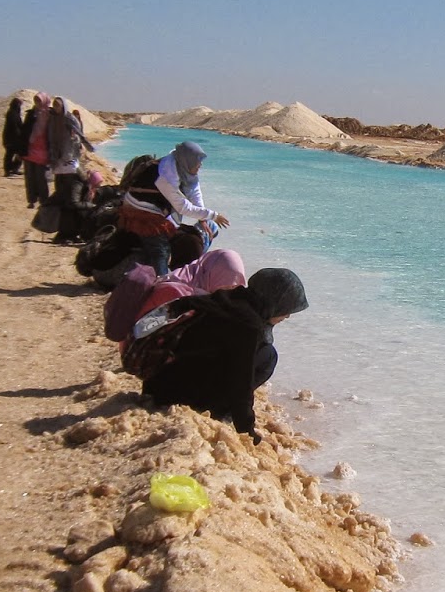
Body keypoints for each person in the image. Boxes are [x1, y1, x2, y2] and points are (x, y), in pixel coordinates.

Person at [139, 267, 308, 443]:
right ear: (275, 301)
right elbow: (241, 384)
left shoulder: (221, 299)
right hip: (175, 398)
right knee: (268, 356)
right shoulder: (247, 324)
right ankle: (217, 409)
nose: (287, 315)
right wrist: (248, 432)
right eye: (287, 308)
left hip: (155, 384)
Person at [117, 141, 231, 276]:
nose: (200, 165)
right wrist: (213, 215)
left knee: (206, 228)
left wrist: (203, 218)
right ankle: (161, 280)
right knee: (160, 249)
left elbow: (194, 192)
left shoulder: (180, 166)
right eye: (197, 162)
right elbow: (182, 207)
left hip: (157, 210)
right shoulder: (166, 176)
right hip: (141, 212)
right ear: (187, 161)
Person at [104, 248, 247, 342]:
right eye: (227, 283)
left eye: (235, 285)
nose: (229, 291)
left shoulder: (188, 277)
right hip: (136, 348)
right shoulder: (178, 293)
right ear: (212, 273)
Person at [46, 98, 93, 243]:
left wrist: (87, 145)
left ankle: (69, 233)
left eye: (58, 105)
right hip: (64, 166)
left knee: (69, 201)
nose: (56, 108)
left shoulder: (65, 119)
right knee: (70, 202)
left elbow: (78, 135)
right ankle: (67, 234)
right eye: (55, 105)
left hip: (65, 164)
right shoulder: (55, 119)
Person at [21, 91, 51, 208]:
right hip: (29, 150)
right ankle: (31, 200)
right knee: (30, 177)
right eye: (36, 100)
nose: (37, 103)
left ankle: (44, 201)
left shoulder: (50, 115)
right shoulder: (31, 114)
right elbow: (25, 132)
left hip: (43, 151)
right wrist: (20, 150)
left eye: (39, 100)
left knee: (41, 178)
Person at [1, 93, 25, 176]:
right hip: (11, 139)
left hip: (14, 138)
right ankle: (8, 170)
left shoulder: (14, 113)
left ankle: (14, 169)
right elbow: (14, 127)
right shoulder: (12, 114)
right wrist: (20, 136)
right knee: (9, 155)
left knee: (20, 154)